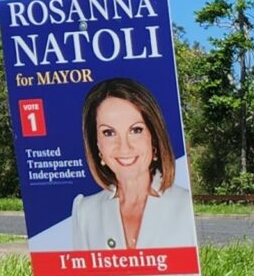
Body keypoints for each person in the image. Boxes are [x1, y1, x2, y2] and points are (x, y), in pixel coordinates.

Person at [60, 77, 196, 251]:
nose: (124, 146)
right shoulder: (85, 212)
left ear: (153, 138)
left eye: (136, 130)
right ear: (97, 145)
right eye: (109, 132)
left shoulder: (184, 205)